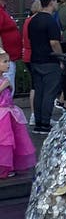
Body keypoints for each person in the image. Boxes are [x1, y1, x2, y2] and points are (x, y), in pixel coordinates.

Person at [27, 0, 63, 134]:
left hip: (35, 59)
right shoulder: (51, 21)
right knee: (49, 93)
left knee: (39, 92)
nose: (57, 5)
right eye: (56, 2)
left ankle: (38, 123)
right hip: (49, 60)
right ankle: (46, 124)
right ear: (52, 2)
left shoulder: (33, 20)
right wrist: (60, 58)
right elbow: (54, 42)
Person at [0, 48, 36, 178]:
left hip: (9, 113)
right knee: (3, 141)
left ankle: (9, 165)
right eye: (4, 62)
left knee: (12, 141)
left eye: (8, 61)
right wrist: (3, 87)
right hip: (2, 116)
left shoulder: (5, 78)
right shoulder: (3, 82)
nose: (8, 64)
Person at [0, 0, 21, 94]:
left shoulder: (3, 10)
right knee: (5, 95)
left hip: (8, 59)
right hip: (4, 61)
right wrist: (2, 57)